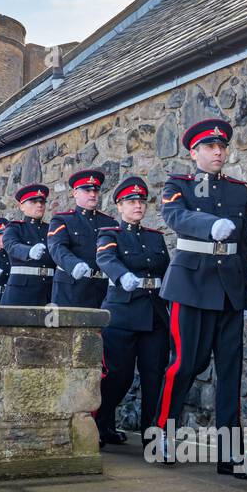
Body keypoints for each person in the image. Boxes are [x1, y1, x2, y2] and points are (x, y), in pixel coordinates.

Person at [154, 119, 247, 475]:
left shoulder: (239, 190)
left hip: (228, 290)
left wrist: (242, 287)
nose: (218, 152)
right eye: (210, 147)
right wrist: (208, 225)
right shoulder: (179, 185)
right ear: (194, 153)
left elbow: (243, 246)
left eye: (222, 147)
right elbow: (174, 216)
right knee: (184, 364)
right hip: (191, 286)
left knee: (230, 371)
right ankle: (162, 433)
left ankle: (229, 453)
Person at [95, 177, 170, 449]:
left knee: (155, 377)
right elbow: (105, 258)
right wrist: (121, 275)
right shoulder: (109, 234)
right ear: (119, 206)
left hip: (154, 315)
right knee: (118, 375)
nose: (138, 206)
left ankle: (154, 436)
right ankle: (101, 423)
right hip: (122, 315)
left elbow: (167, 271)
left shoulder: (156, 237)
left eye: (141, 201)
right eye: (131, 202)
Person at [47, 169, 116, 309]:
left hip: (101, 290)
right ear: (75, 193)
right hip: (71, 290)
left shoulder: (110, 223)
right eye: (87, 190)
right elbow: (57, 247)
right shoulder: (62, 220)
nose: (92, 194)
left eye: (95, 191)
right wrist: (74, 265)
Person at [1, 184, 56, 306]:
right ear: (21, 206)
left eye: (42, 201)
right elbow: (11, 245)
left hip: (48, 291)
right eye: (33, 202)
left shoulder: (51, 229)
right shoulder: (15, 227)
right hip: (21, 292)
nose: (39, 205)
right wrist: (28, 251)